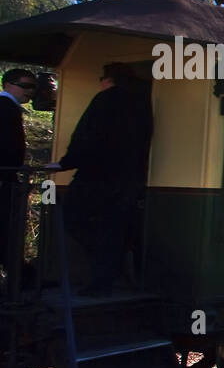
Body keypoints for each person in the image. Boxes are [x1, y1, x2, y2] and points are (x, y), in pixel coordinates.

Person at [48, 63, 153, 296]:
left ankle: (109, 266)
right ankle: (109, 272)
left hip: (97, 175)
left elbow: (87, 136)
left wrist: (65, 163)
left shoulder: (105, 100)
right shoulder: (143, 103)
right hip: (130, 178)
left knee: (74, 218)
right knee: (114, 226)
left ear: (108, 79)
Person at [0, 68, 36, 275]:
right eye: (25, 86)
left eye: (33, 87)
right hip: (5, 178)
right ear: (8, 84)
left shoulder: (9, 108)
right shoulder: (5, 108)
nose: (30, 92)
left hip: (7, 177)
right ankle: (18, 276)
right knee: (6, 226)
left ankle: (18, 274)